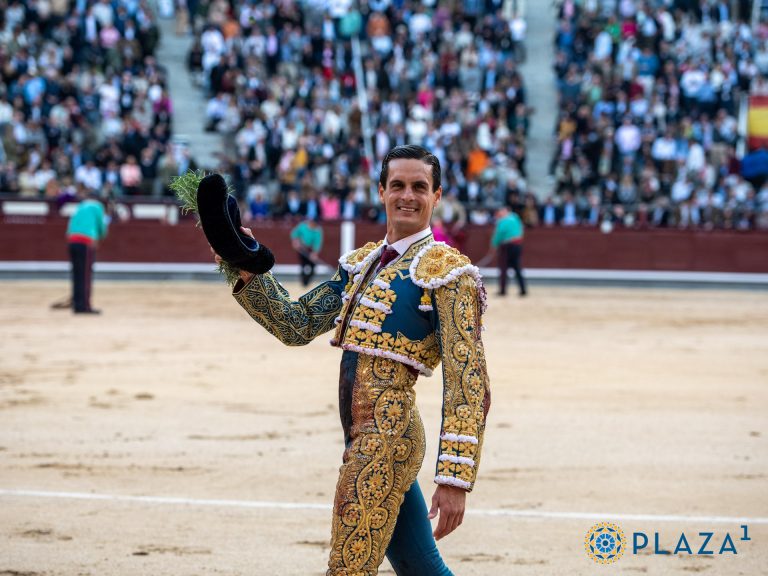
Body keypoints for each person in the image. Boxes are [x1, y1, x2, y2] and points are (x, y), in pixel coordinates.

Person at [215, 145, 490, 575]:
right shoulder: (360, 265)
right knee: (421, 567)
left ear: (437, 197)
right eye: (397, 185)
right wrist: (245, 265)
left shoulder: (448, 274)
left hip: (386, 440)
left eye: (420, 187)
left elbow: (467, 381)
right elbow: (297, 324)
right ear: (381, 191)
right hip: (361, 435)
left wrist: (454, 478)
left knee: (348, 569)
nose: (408, 196)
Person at [66, 191, 109, 314]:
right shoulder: (97, 207)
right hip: (85, 242)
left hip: (72, 241)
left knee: (77, 274)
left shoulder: (80, 206)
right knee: (85, 275)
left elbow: (69, 227)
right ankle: (83, 306)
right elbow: (102, 228)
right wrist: (100, 236)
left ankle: (76, 302)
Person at [491, 206, 527, 297]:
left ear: (505, 212)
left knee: (503, 268)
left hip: (506, 246)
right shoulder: (516, 218)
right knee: (517, 268)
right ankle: (523, 290)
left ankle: (503, 290)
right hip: (517, 245)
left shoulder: (502, 221)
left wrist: (494, 245)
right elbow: (521, 230)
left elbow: (499, 234)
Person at [290, 217, 323, 286]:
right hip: (302, 248)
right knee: (304, 265)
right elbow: (294, 233)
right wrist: (295, 241)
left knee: (313, 266)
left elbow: (317, 242)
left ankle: (307, 282)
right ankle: (303, 282)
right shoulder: (303, 226)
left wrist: (314, 253)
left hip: (310, 250)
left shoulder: (318, 230)